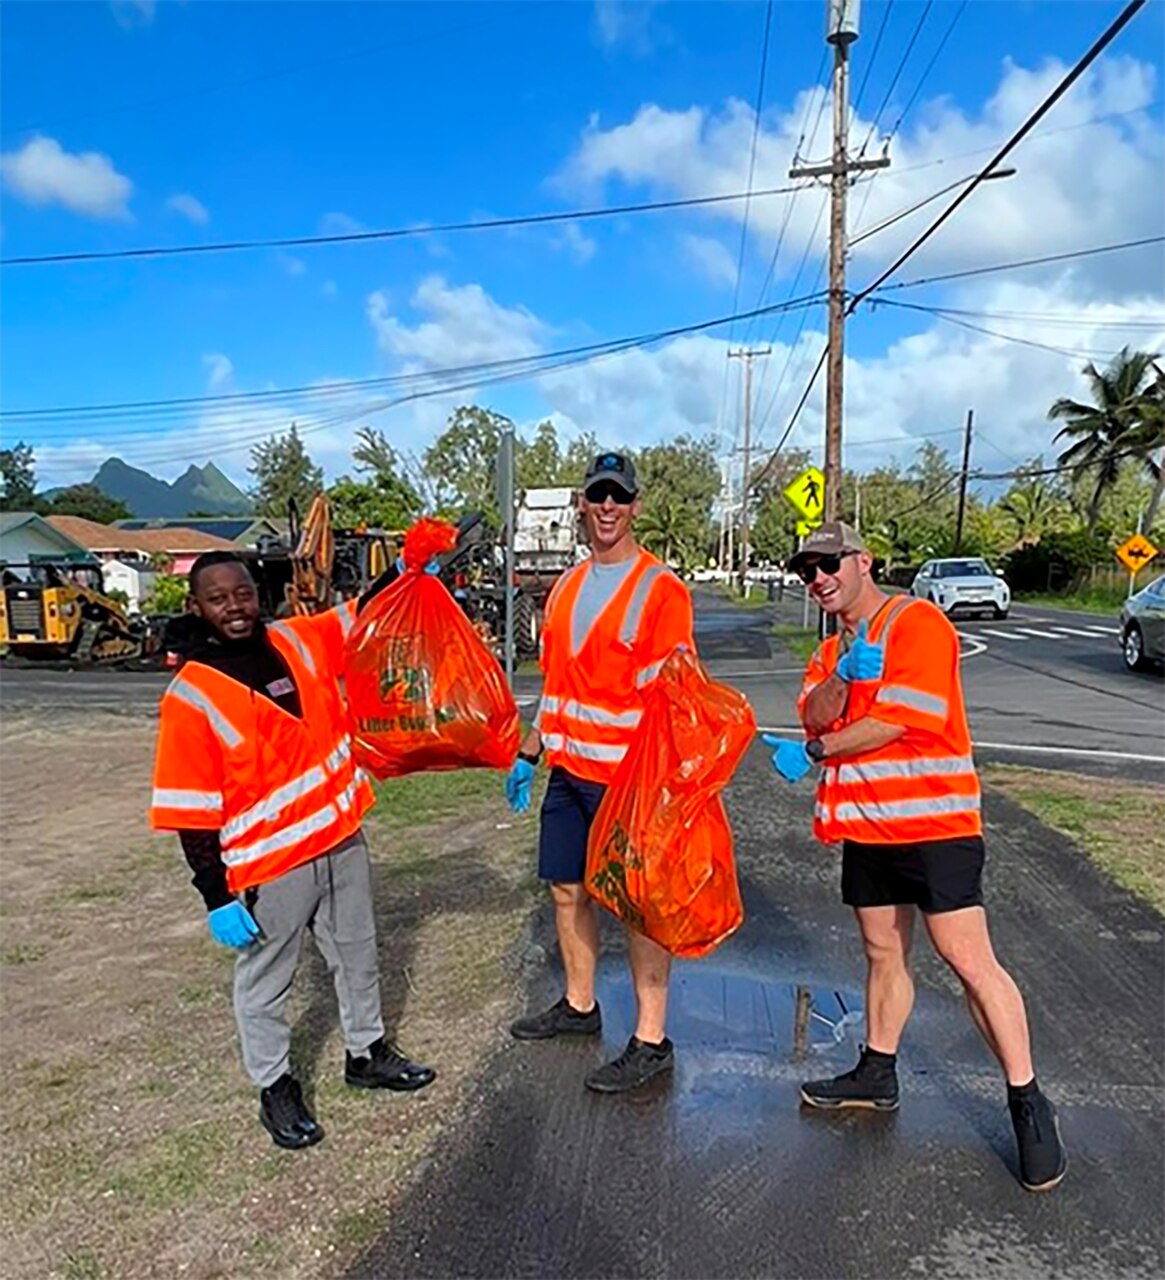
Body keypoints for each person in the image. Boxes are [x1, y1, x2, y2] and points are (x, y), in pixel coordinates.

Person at [762, 522, 1067, 1192]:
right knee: (882, 953)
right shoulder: (832, 648)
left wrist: (817, 750)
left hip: (935, 828)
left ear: (863, 561)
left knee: (967, 959)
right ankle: (878, 1070)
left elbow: (897, 720)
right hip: (869, 830)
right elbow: (815, 711)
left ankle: (1027, 1100)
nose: (818, 579)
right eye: (806, 571)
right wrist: (840, 677)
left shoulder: (918, 623)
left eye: (829, 563)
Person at [149, 551, 435, 1151]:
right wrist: (216, 897)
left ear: (258, 594)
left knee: (357, 952)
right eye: (218, 598)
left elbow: (363, 614)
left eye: (243, 593)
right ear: (196, 606)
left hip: (339, 839)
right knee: (266, 981)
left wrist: (406, 567)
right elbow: (192, 812)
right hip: (272, 867)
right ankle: (275, 1086)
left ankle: (366, 1052)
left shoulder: (297, 640)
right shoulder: (191, 696)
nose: (235, 607)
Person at [504, 451, 695, 1093]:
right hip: (569, 772)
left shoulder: (660, 589)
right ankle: (580, 1006)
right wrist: (531, 750)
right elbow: (558, 683)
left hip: (629, 780)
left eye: (618, 496)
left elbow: (676, 695)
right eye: (598, 496)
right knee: (567, 890)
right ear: (583, 505)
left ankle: (651, 1040)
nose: (607, 506)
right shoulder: (566, 587)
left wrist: (668, 786)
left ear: (634, 506)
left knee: (638, 908)